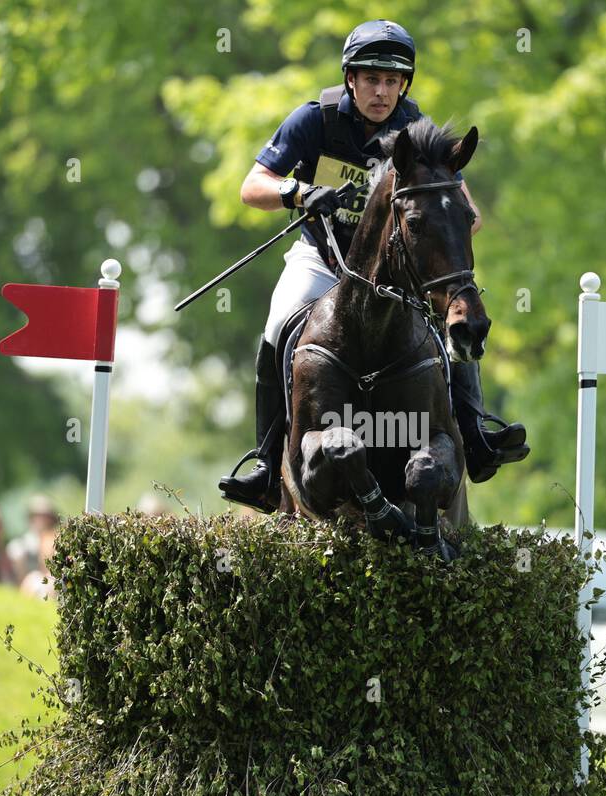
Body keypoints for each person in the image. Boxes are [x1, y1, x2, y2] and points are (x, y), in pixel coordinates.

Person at [218, 19, 530, 513]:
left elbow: (466, 214)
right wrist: (297, 192)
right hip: (322, 260)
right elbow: (251, 186)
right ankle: (264, 464)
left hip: (391, 275)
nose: (382, 93)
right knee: (279, 324)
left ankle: (475, 437)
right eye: (371, 80)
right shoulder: (313, 120)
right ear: (350, 80)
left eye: (392, 82)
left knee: (454, 322)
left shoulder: (416, 129)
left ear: (404, 85)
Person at [7, 495, 59, 579]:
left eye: (45, 516)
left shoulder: (56, 539)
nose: (42, 520)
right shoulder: (22, 542)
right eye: (38, 516)